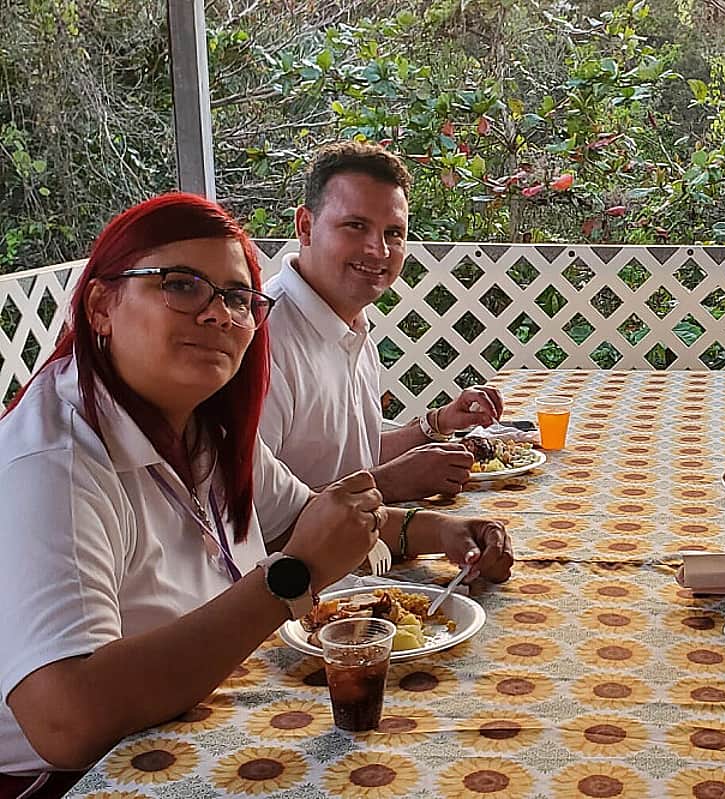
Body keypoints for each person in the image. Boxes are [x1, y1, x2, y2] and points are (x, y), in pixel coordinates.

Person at [0, 195, 512, 792]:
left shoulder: (198, 428)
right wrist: (290, 576)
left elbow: (308, 517)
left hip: (205, 729)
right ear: (101, 306)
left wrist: (435, 532)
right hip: (85, 778)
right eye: (182, 286)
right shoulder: (54, 461)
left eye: (239, 298)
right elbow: (66, 721)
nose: (220, 315)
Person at [260, 141, 504, 502]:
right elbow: (254, 514)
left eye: (393, 233)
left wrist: (438, 424)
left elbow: (352, 461)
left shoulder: (352, 324)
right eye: (355, 226)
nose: (379, 250)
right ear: (306, 227)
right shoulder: (261, 338)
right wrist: (389, 485)